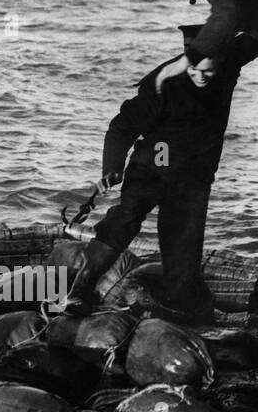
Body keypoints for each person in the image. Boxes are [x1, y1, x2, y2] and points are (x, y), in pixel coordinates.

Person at [62, 24, 241, 325]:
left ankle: (181, 308)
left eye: (208, 72)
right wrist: (112, 168)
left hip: (192, 177)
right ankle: (79, 291)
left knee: (183, 242)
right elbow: (122, 126)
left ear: (221, 60)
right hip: (151, 168)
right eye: (194, 70)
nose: (201, 77)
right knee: (123, 220)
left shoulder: (229, 64)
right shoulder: (162, 85)